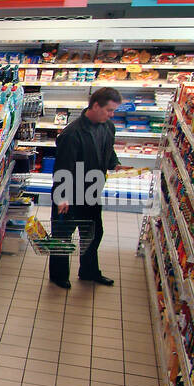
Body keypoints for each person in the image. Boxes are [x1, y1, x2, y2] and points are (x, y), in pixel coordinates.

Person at [49, 86, 122, 288]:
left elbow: (109, 150)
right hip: (70, 194)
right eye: (109, 110)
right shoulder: (72, 133)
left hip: (92, 191)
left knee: (93, 233)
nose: (112, 115)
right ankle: (58, 276)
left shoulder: (108, 127)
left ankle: (89, 271)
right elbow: (62, 167)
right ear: (96, 106)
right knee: (63, 237)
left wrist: (114, 163)